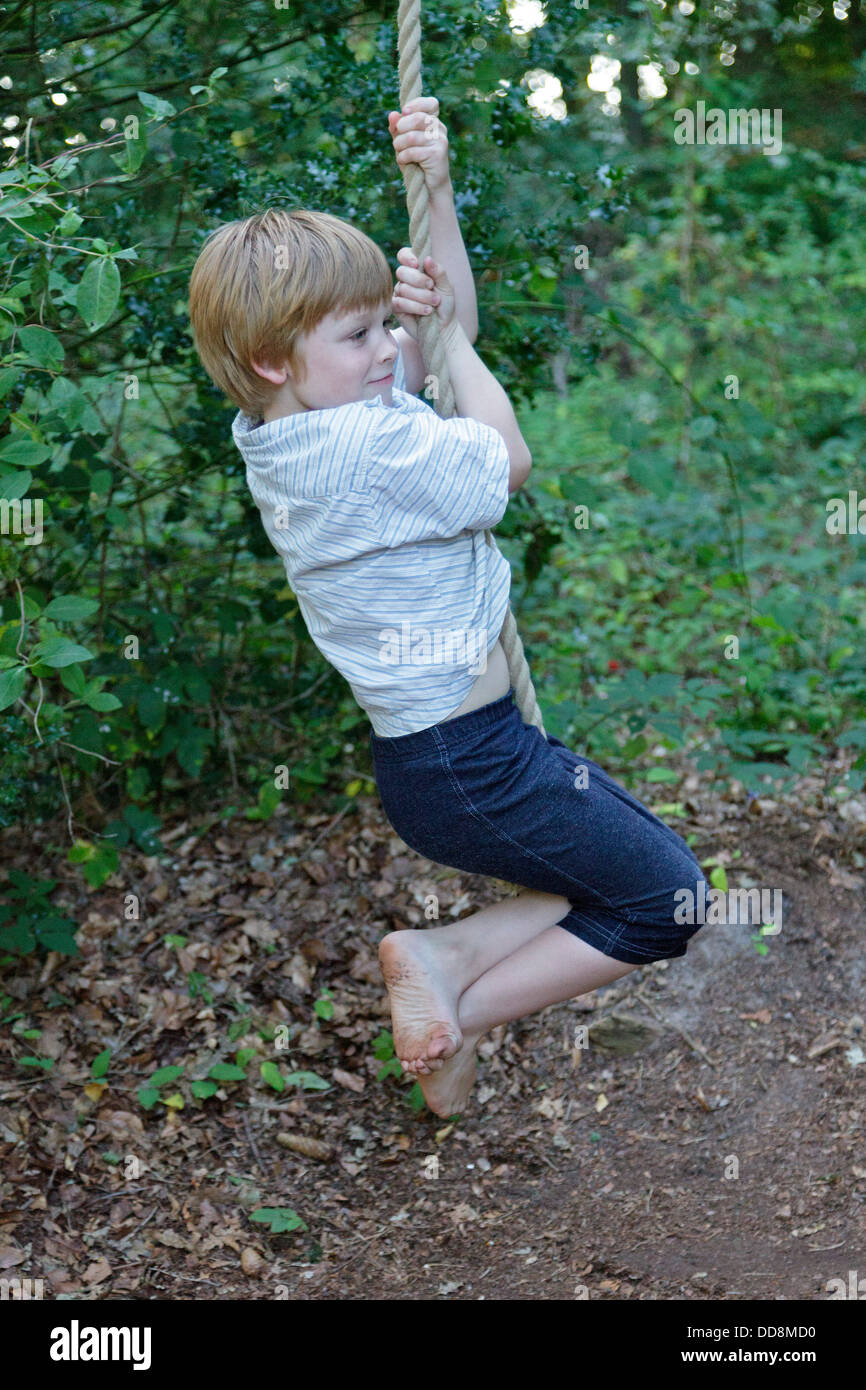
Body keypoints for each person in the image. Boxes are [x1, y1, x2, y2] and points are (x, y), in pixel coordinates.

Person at [188, 97, 709, 1118]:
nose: (387, 347)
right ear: (270, 358)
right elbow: (505, 455)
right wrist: (449, 347)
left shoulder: (290, 425)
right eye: (361, 332)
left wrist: (433, 194)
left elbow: (432, 334)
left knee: (593, 883)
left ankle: (443, 1029)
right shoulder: (367, 443)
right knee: (666, 898)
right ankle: (449, 989)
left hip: (444, 764)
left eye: (384, 324)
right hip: (472, 762)